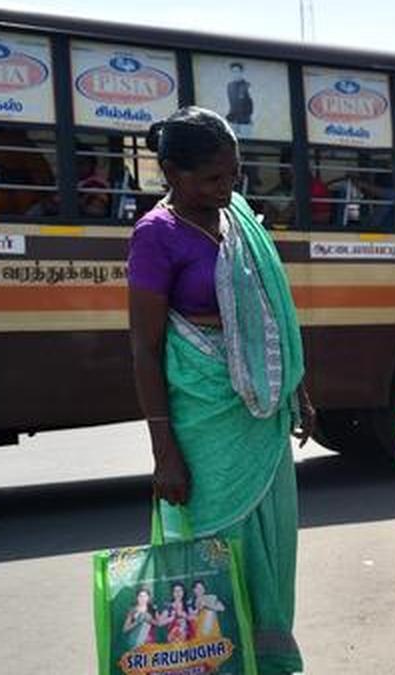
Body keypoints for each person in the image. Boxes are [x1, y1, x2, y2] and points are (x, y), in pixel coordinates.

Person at [127, 106, 312, 674]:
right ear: (171, 174)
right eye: (211, 178)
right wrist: (165, 452)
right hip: (204, 428)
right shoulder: (156, 236)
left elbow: (273, 313)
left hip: (261, 417)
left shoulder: (238, 222)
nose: (226, 187)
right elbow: (145, 348)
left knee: (270, 558)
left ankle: (267, 664)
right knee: (213, 561)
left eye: (233, 174)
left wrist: (297, 390)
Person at [225, 62, 254, 137]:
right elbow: (231, 103)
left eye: (237, 71)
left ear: (241, 72)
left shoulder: (247, 85)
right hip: (233, 120)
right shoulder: (229, 86)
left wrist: (247, 118)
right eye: (233, 72)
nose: (235, 74)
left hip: (245, 122)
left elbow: (251, 105)